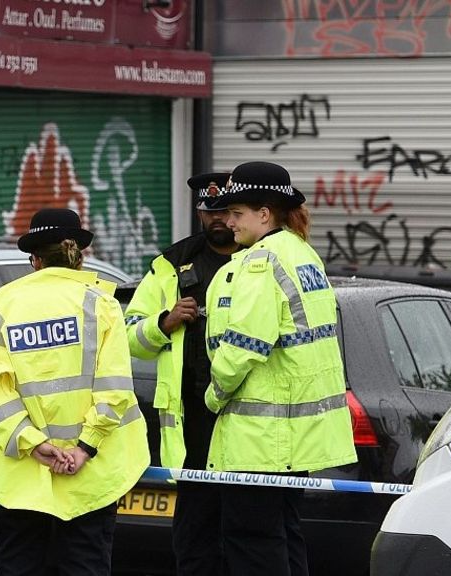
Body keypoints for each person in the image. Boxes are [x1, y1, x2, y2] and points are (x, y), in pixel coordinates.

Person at [0, 208, 149, 576]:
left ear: (34, 260)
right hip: (90, 473)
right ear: (79, 255)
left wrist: (33, 443)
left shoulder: (4, 307)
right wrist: (84, 448)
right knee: (84, 564)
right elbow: (114, 389)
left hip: (21, 475)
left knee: (20, 563)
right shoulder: (99, 304)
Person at [203, 161, 357, 576]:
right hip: (295, 437)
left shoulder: (260, 263)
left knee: (251, 542)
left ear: (264, 213)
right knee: (284, 535)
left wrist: (213, 396)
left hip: (261, 439)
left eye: (237, 214)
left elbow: (243, 347)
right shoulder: (302, 254)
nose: (229, 223)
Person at [123, 171, 242, 575]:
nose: (220, 220)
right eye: (211, 212)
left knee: (247, 532)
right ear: (200, 213)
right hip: (193, 417)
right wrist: (164, 321)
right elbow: (128, 335)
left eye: (227, 211)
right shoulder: (171, 264)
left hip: (246, 415)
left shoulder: (259, 260)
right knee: (195, 533)